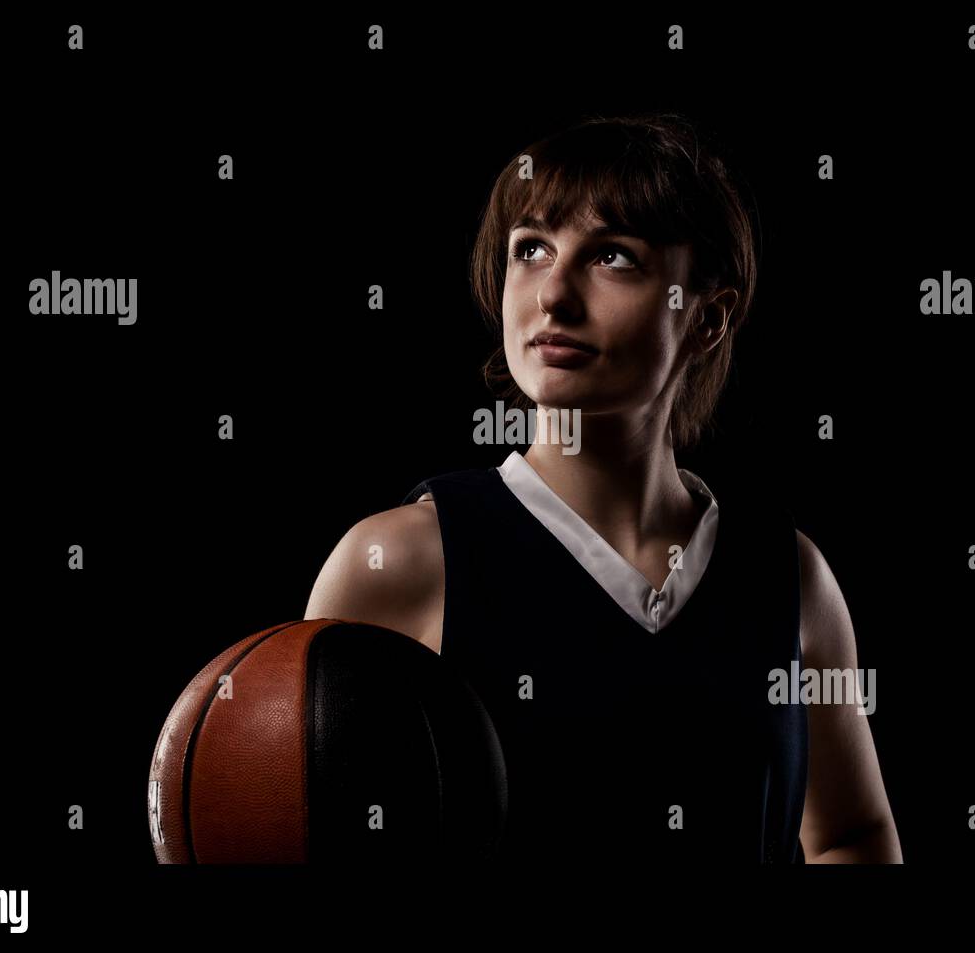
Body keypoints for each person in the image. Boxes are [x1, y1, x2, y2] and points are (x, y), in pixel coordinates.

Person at [306, 113, 902, 866]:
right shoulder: (402, 561)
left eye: (613, 256)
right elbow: (313, 830)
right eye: (532, 249)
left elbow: (851, 835)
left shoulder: (790, 576)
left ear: (709, 318)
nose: (553, 293)